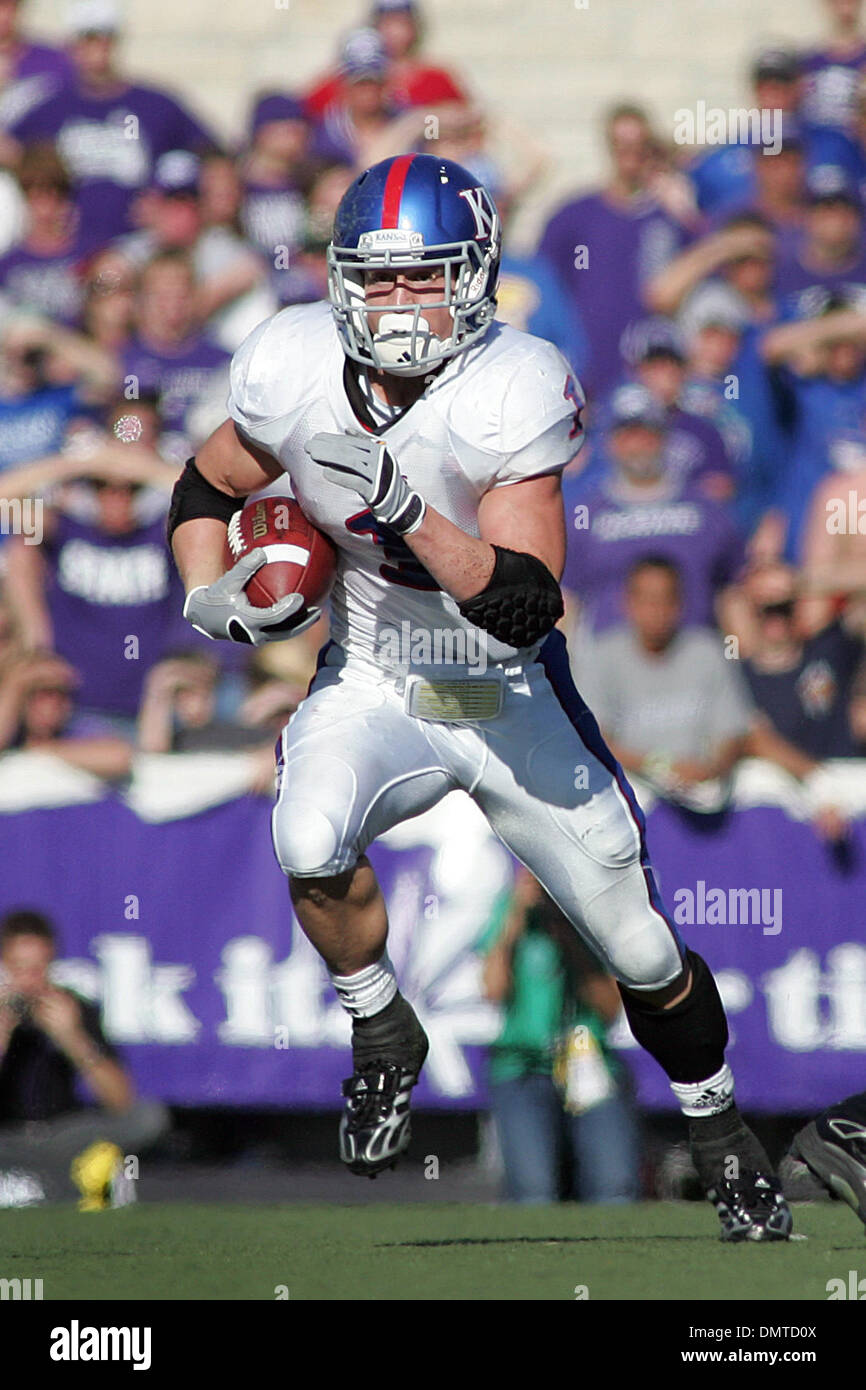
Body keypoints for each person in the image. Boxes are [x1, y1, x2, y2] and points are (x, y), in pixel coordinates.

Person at [168, 152, 792, 1242]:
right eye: (378, 276)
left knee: (640, 949)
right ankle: (381, 1026)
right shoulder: (290, 361)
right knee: (307, 834)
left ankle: (716, 1130)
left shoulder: (513, 379)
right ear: (338, 277)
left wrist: (408, 508)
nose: (397, 302)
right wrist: (206, 594)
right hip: (373, 673)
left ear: (474, 275)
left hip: (500, 690)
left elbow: (523, 602)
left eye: (425, 277)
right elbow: (202, 483)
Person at [479, 868, 640, 1205]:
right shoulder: (511, 911)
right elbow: (493, 989)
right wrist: (516, 917)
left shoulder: (591, 920)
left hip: (590, 1064)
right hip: (522, 1066)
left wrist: (570, 937)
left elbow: (610, 1008)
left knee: (615, 1187)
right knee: (532, 1191)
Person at [2, 0, 215, 240]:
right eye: (88, 37)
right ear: (72, 44)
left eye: (105, 36)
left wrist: (170, 200)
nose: (98, 46)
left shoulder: (155, 104)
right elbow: (15, 154)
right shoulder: (49, 109)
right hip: (71, 245)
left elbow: (211, 155)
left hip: (140, 244)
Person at [0, 907, 169, 1207]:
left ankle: (46, 1182)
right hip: (7, 1136)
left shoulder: (73, 1007)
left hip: (62, 1136)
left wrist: (73, 1039)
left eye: (38, 968)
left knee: (149, 1116)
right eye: (18, 968)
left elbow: (121, 1100)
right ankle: (54, 1183)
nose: (29, 981)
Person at [537, 104, 697, 399]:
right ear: (609, 146)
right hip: (584, 373)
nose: (631, 154)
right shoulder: (574, 215)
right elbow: (541, 286)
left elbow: (704, 267)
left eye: (639, 144)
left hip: (651, 377)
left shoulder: (668, 218)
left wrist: (685, 213)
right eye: (621, 144)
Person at [576, 557, 753, 815]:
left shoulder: (708, 651)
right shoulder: (601, 656)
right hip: (630, 784)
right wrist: (661, 767)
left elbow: (733, 733)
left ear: (680, 604)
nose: (656, 610)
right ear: (627, 603)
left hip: (704, 787)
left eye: (665, 599)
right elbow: (596, 740)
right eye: (647, 599)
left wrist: (712, 769)